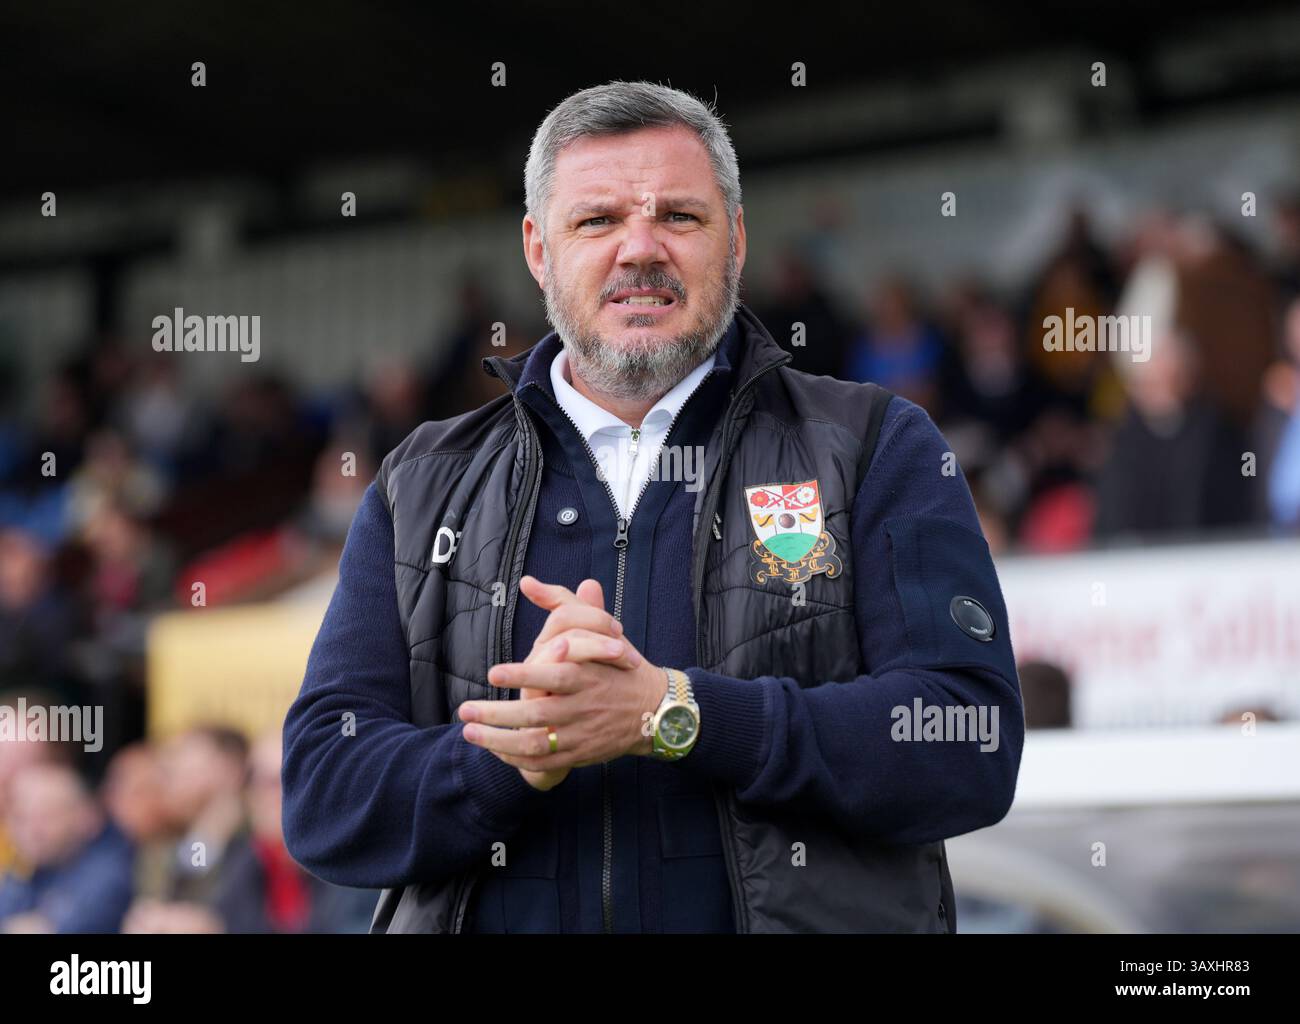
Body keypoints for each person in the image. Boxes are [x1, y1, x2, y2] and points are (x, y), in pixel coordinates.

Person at [283, 81, 1023, 934]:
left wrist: (674, 713)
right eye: (596, 221)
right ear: (538, 249)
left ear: (736, 240)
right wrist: (514, 757)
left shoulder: (872, 444)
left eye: (680, 216)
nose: (641, 249)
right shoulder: (421, 483)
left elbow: (968, 741)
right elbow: (321, 793)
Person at [0, 762, 134, 933]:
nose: (33, 830)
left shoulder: (109, 869)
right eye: (21, 818)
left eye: (47, 816)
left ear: (86, 817)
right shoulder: (26, 868)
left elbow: (75, 927)